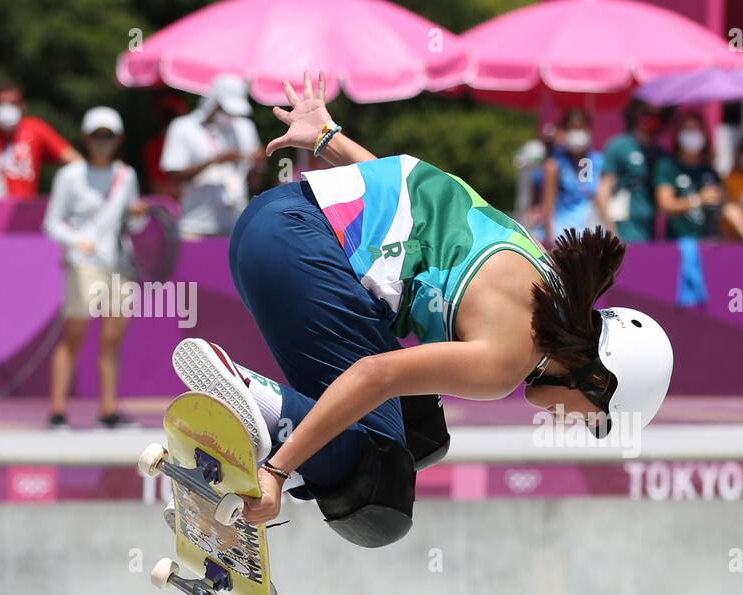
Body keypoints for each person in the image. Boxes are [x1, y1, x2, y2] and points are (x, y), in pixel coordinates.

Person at [170, 73, 674, 545]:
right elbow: (375, 375)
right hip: (296, 250)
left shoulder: (538, 267)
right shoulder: (508, 359)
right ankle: (261, 406)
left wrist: (327, 137)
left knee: (421, 433)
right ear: (598, 381)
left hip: (274, 222)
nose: (572, 423)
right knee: (381, 490)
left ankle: (271, 438)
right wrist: (278, 470)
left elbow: (413, 194)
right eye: (592, 419)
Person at [43, 107, 146, 429]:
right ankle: (58, 411)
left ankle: (107, 410)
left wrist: (138, 213)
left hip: (118, 263)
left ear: (118, 140)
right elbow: (51, 223)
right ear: (86, 139)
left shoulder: (126, 175)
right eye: (97, 136)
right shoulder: (69, 175)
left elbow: (135, 224)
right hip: (84, 263)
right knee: (74, 334)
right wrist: (77, 241)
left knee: (112, 339)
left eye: (109, 136)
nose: (103, 142)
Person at [159, 74, 265, 238]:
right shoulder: (183, 127)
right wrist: (214, 161)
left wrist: (259, 164)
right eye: (225, 108)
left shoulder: (245, 127)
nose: (230, 115)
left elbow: (255, 183)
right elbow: (173, 175)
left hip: (236, 226)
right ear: (213, 102)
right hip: (194, 227)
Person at [0, 82, 78, 204]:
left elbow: (74, 160)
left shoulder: (36, 129)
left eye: (12, 103)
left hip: (23, 211)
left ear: (22, 105)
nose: (6, 108)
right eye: (1, 103)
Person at [598, 99, 666, 242]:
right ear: (634, 114)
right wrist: (611, 231)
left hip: (650, 233)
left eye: (656, 114)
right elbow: (603, 191)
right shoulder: (618, 146)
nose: (651, 118)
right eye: (646, 113)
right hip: (624, 230)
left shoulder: (659, 153)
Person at [652, 112, 722, 240]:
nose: (692, 135)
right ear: (678, 135)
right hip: (677, 244)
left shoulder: (709, 171)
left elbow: (725, 206)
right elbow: (665, 204)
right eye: (688, 130)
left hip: (708, 243)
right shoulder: (667, 166)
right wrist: (698, 200)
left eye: (696, 130)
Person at [540, 108, 603, 243]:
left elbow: (601, 200)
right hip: (561, 236)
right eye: (572, 129)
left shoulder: (597, 161)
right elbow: (547, 206)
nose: (577, 134)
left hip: (590, 237)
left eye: (581, 128)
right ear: (564, 133)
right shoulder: (554, 164)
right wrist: (550, 240)